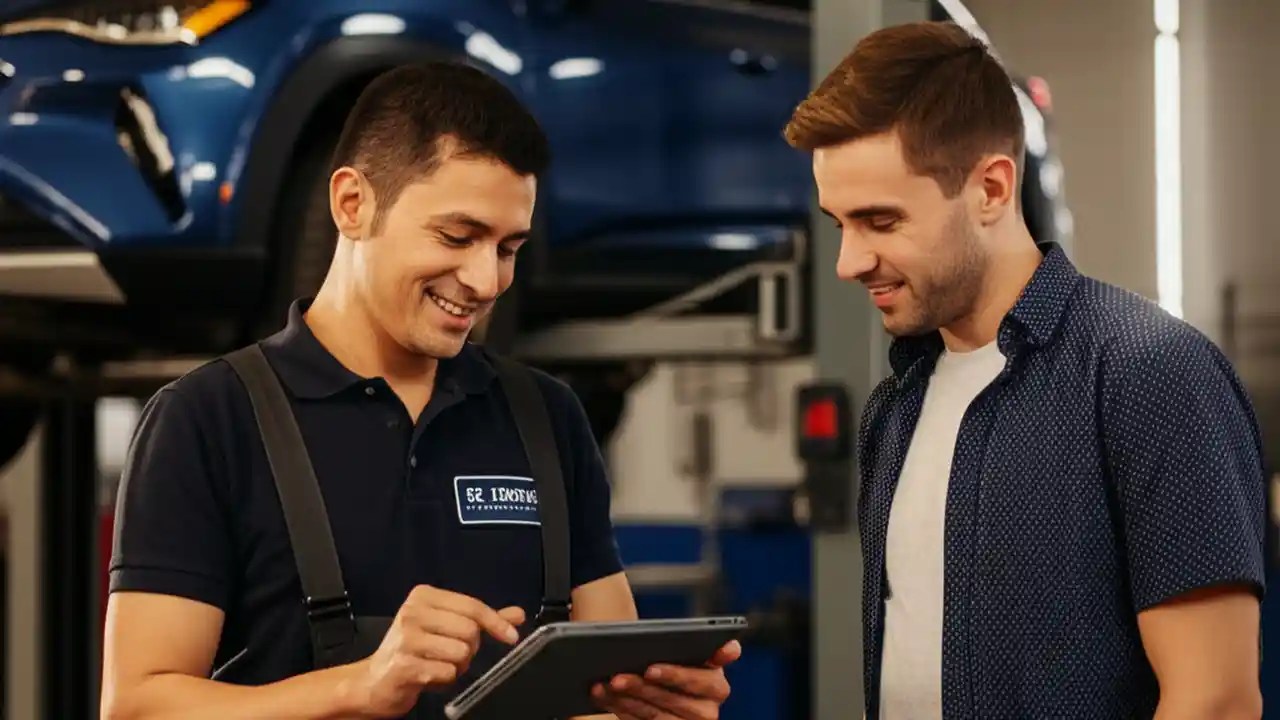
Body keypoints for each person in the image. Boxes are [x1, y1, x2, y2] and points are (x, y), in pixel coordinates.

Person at [101, 61, 738, 720]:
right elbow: (139, 706)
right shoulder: (207, 423)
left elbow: (607, 687)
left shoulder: (547, 418)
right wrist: (359, 686)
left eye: (508, 248)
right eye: (457, 237)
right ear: (352, 203)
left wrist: (657, 703)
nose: (486, 279)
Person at [784, 21, 1267, 720]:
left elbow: (1215, 700)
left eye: (880, 222)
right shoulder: (896, 406)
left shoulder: (1148, 375)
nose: (849, 263)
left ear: (991, 188)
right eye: (839, 224)